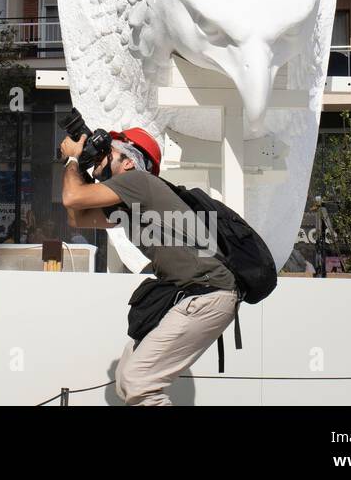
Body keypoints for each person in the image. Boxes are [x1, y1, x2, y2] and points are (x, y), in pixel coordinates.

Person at [59, 126, 240, 406]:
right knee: (125, 378)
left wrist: (72, 159)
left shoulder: (139, 182)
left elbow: (72, 198)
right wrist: (81, 167)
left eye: (111, 152)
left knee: (138, 382)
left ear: (129, 162)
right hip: (191, 295)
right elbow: (76, 217)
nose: (102, 157)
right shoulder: (131, 203)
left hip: (208, 293)